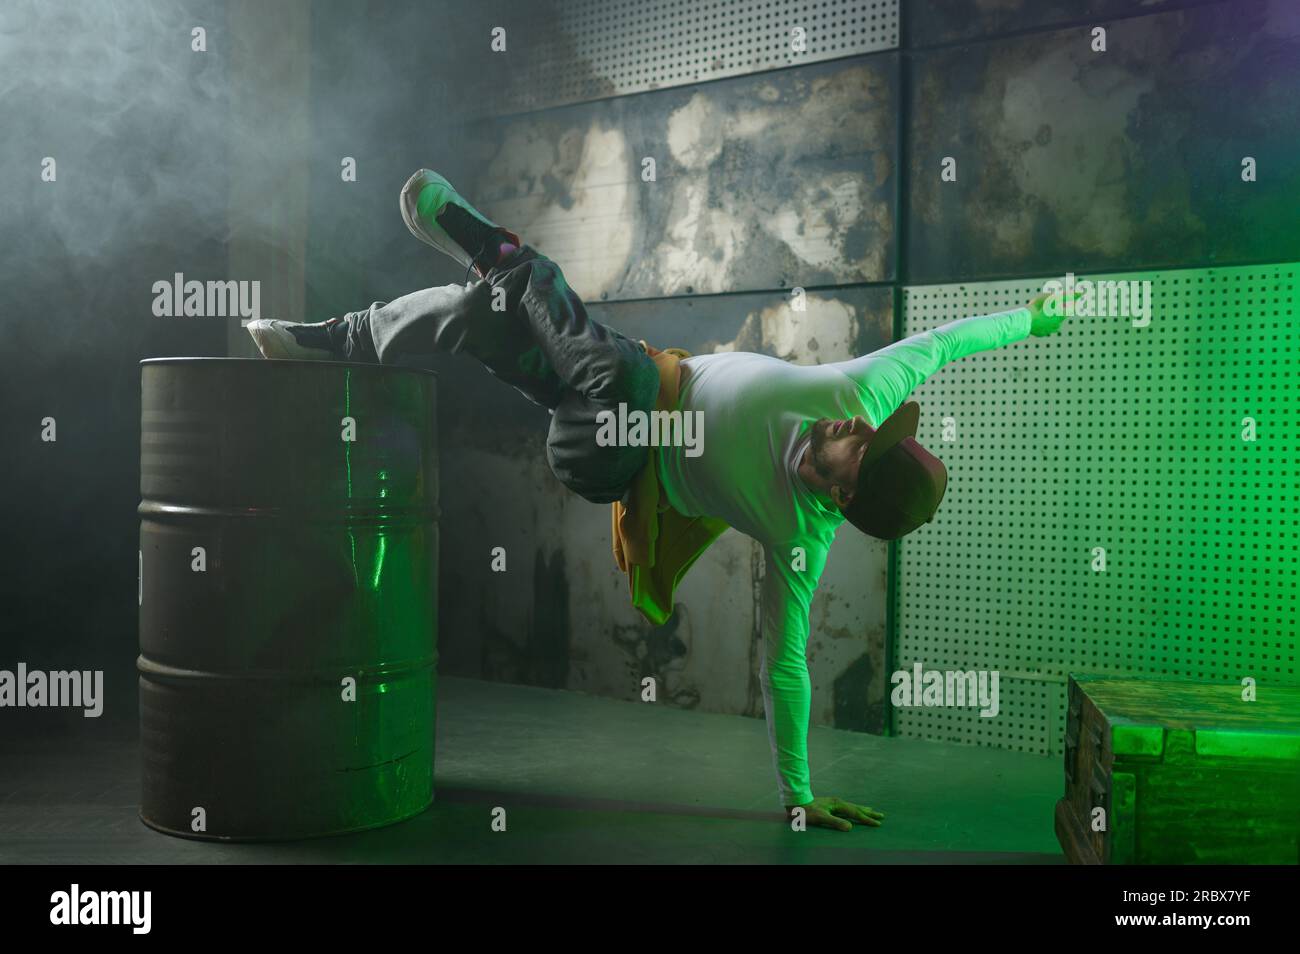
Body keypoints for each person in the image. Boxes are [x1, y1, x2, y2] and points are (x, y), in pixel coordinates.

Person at [248, 169, 1074, 831]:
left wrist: (797, 795)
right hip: (608, 379)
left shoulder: (799, 532)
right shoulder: (869, 384)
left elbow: (786, 664)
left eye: (854, 471)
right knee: (484, 315)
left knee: (609, 360)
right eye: (861, 444)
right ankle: (331, 341)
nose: (846, 449)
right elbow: (951, 341)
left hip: (616, 460)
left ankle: (498, 249)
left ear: (845, 498)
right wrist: (1034, 323)